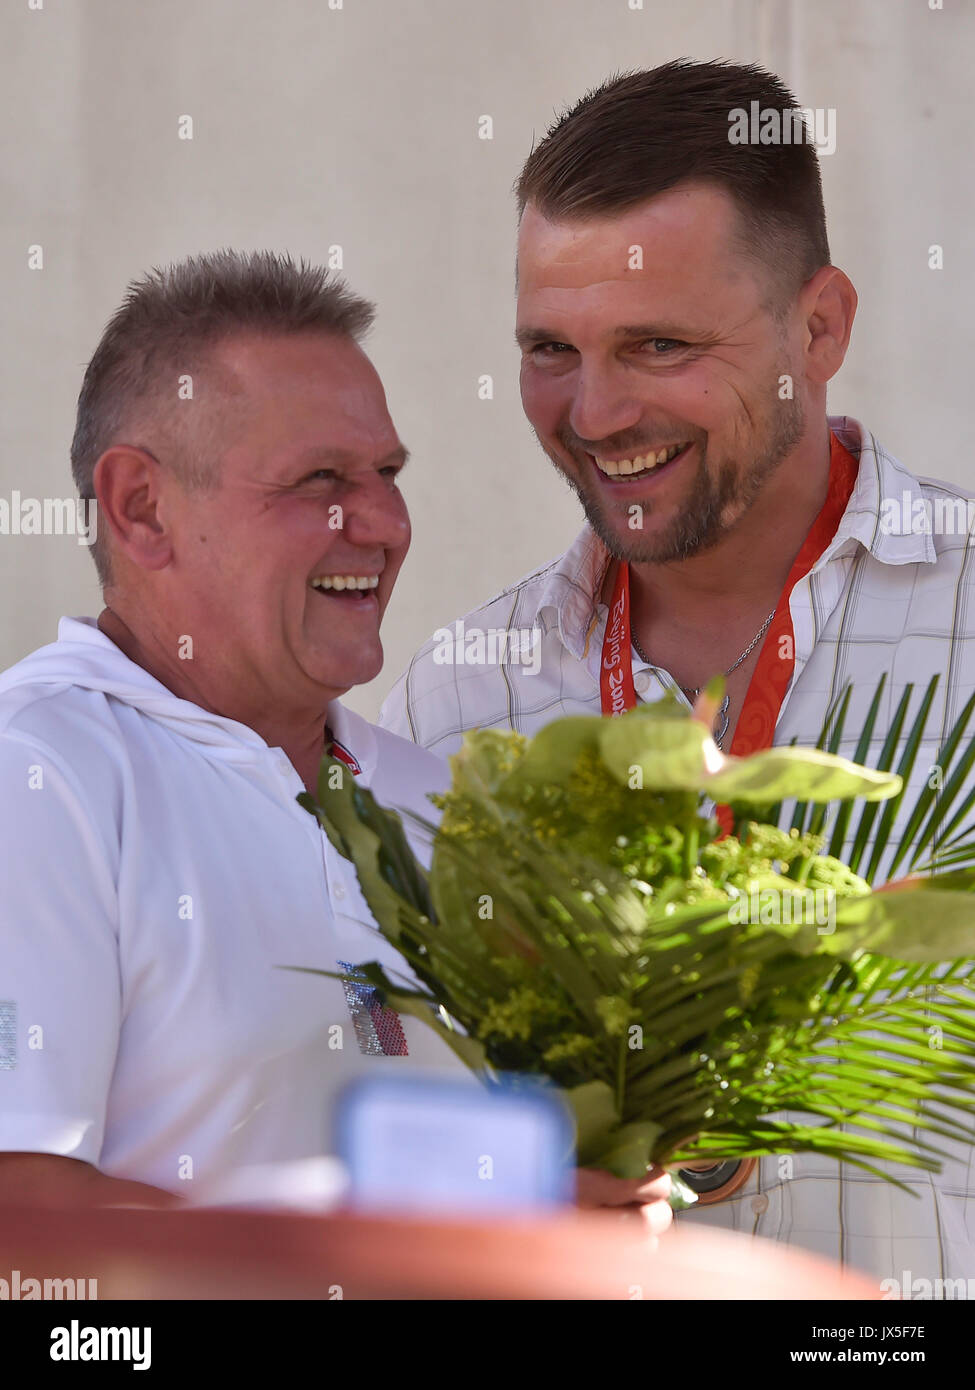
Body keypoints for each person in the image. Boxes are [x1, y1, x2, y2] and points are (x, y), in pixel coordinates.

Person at [378, 62, 975, 1284]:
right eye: (552, 349)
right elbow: (382, 1115)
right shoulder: (456, 699)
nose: (595, 413)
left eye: (659, 344)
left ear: (821, 327)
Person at [0, 250, 672, 1232]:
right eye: (320, 480)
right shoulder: (41, 772)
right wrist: (443, 1234)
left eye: (386, 475)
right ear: (142, 508)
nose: (386, 523)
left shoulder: (433, 794)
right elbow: (24, 1225)